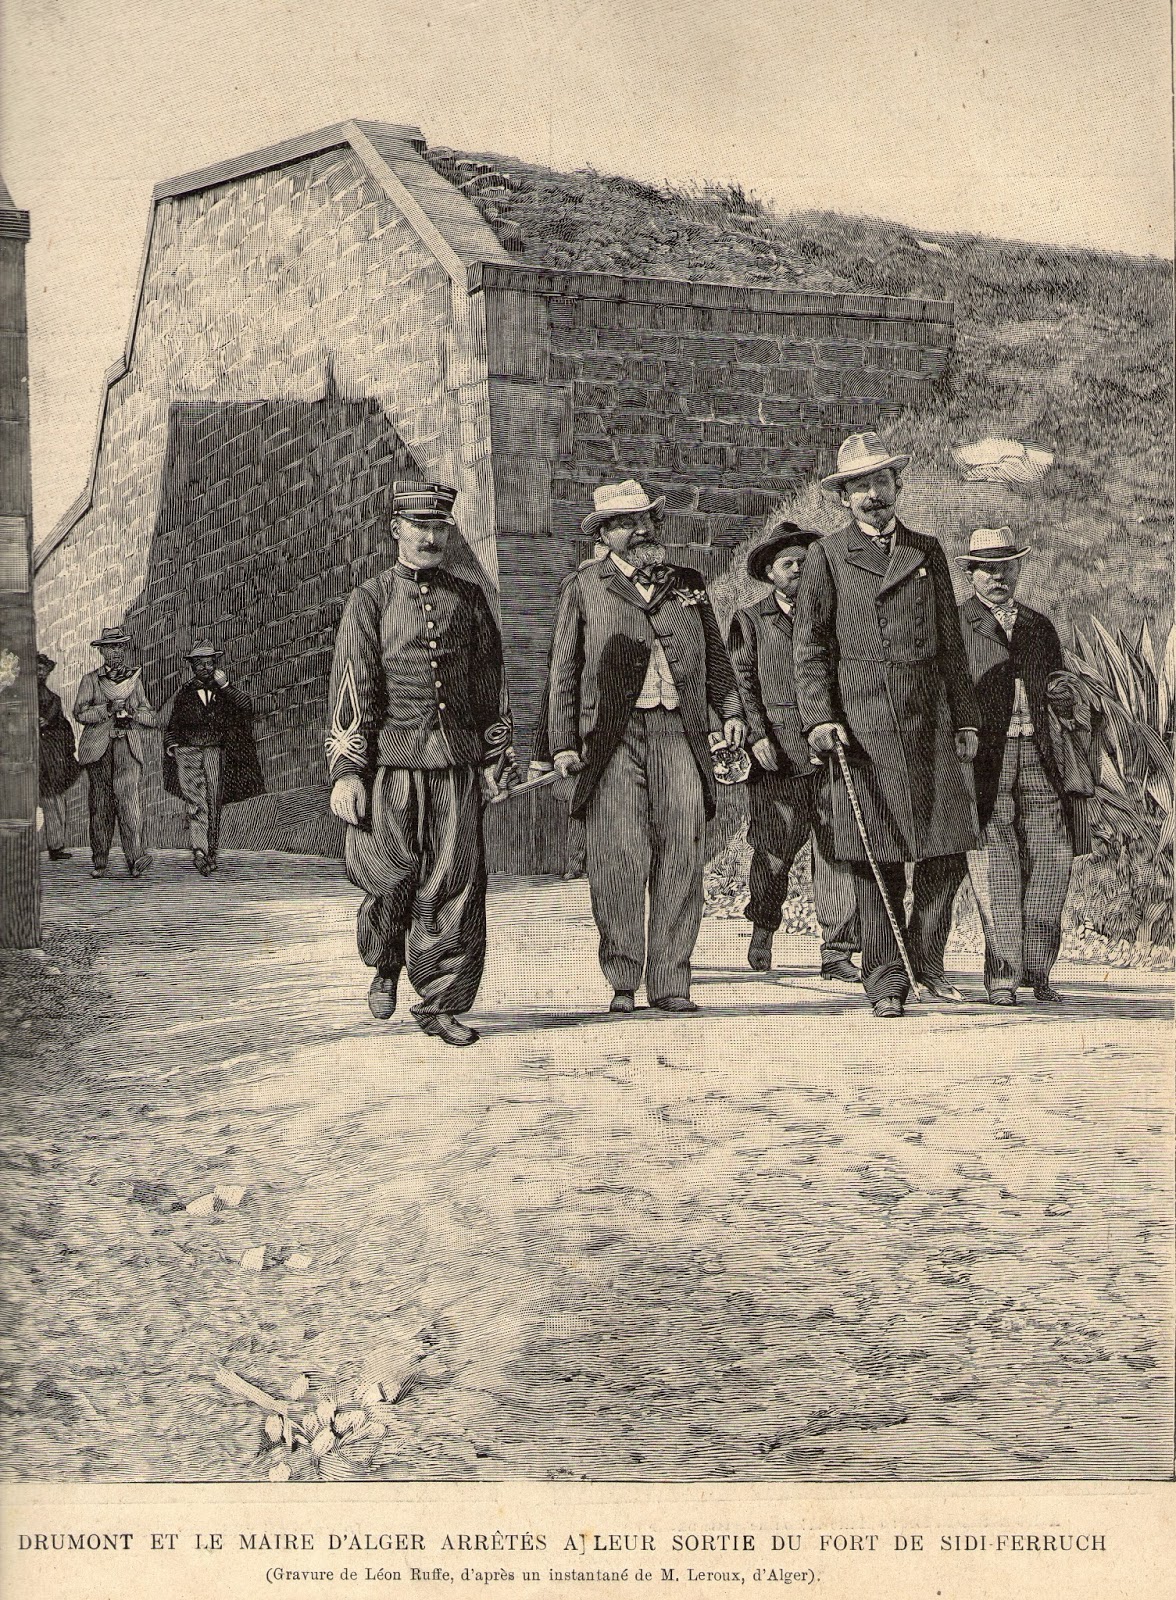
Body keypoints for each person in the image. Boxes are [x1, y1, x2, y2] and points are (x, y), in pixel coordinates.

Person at [793, 433, 981, 1018]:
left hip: (930, 715)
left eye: (882, 483)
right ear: (844, 498)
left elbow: (952, 643)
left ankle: (926, 964)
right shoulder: (826, 556)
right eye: (860, 486)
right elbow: (810, 648)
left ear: (897, 486)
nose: (874, 495)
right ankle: (885, 982)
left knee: (946, 849)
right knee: (874, 856)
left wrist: (966, 718)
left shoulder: (927, 551)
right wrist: (820, 717)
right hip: (864, 720)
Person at [326, 482, 518, 1047]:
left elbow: (491, 684)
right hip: (390, 765)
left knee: (455, 881)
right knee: (389, 875)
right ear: (396, 531)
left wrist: (494, 753)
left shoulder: (470, 599)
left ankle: (441, 1001)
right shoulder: (369, 600)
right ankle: (385, 960)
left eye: (440, 528)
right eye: (420, 528)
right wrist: (346, 772)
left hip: (456, 762)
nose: (432, 538)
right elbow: (351, 688)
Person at [546, 478, 746, 1013]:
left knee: (683, 850)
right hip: (612, 739)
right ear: (605, 534)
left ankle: (671, 981)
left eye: (645, 520)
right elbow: (564, 669)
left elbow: (714, 654)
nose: (639, 531)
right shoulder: (585, 586)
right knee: (618, 857)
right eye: (624, 523)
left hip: (680, 732)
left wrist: (729, 711)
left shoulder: (688, 583)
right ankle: (622, 979)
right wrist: (563, 742)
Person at [952, 528, 1092, 1004]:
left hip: (1041, 755)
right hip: (984, 760)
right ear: (970, 574)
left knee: (1051, 859)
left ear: (1017, 571)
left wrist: (1065, 694)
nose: (997, 577)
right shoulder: (957, 624)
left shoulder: (1038, 625)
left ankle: (1040, 971)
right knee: (995, 867)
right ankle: (1004, 979)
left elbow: (1059, 685)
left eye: (1005, 567)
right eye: (987, 569)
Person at [727, 523, 860, 980]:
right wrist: (758, 736)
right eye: (790, 564)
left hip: (832, 752)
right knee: (774, 851)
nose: (800, 569)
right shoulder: (750, 620)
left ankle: (837, 951)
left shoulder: (834, 614)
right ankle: (763, 927)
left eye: (807, 562)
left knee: (837, 849)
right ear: (769, 572)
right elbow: (741, 683)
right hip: (777, 756)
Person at [163, 641, 265, 875]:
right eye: (201, 665)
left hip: (214, 751)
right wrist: (173, 746)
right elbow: (173, 725)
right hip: (187, 752)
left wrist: (226, 686)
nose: (206, 668)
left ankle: (211, 850)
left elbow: (246, 706)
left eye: (210, 664)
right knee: (195, 803)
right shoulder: (184, 693)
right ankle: (199, 851)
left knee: (213, 800)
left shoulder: (224, 691)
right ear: (193, 667)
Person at [73, 625, 158, 879]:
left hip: (127, 748)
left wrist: (133, 713)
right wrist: (107, 709)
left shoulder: (134, 680)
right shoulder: (91, 680)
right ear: (102, 652)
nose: (117, 652)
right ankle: (100, 861)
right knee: (101, 806)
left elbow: (149, 714)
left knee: (129, 803)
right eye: (111, 647)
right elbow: (80, 713)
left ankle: (135, 859)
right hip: (99, 749)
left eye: (120, 646)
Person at [36, 652, 80, 861]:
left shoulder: (53, 700)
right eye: (36, 668)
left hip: (50, 759)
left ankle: (56, 846)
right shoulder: (21, 698)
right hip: (34, 758)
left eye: (43, 668)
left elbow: (64, 729)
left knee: (53, 800)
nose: (40, 672)